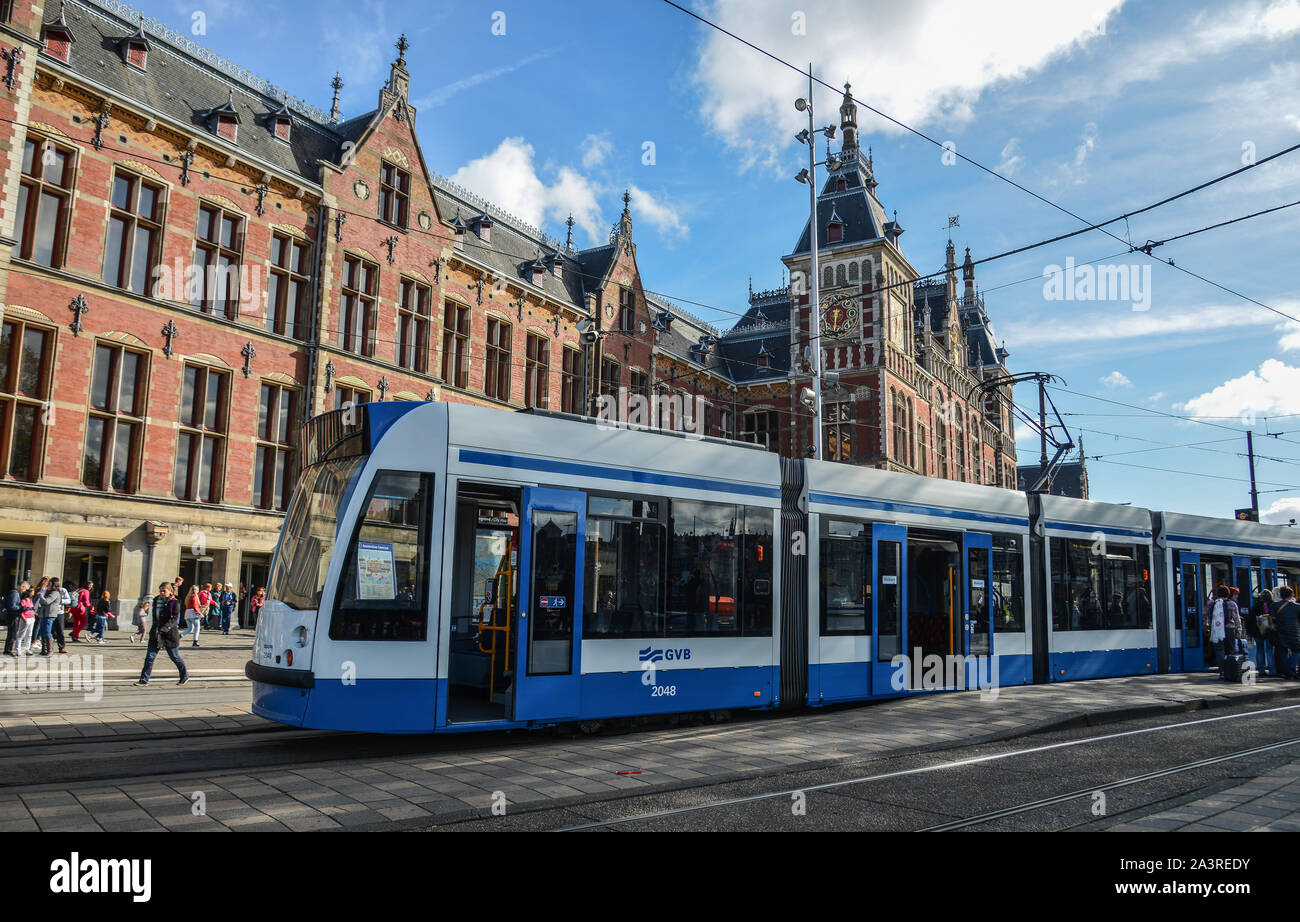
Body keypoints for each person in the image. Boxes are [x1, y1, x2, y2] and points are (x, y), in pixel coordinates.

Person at [134, 582, 188, 686]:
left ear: (170, 591)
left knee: (175, 657)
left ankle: (184, 675)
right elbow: (155, 617)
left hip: (169, 635)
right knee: (150, 657)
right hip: (156, 634)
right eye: (160, 590)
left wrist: (165, 628)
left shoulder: (174, 602)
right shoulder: (156, 600)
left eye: (164, 591)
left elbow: (174, 619)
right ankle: (144, 680)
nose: (162, 593)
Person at [1247, 589, 1277, 676]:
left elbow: (1250, 620)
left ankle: (1261, 670)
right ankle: (1272, 671)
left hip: (1257, 631)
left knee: (1259, 650)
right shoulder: (1273, 605)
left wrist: (1250, 632)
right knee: (1269, 650)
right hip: (1269, 631)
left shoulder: (1256, 605)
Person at [1274, 586, 1300, 679]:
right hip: (1294, 631)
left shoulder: (1274, 606)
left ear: (1280, 595)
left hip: (1281, 631)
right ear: (1291, 594)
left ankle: (1286, 671)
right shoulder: (1297, 607)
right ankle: (1292, 669)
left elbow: (1272, 619)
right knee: (1296, 650)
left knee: (1283, 651)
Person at [2, 580, 24, 656]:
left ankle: (8, 649)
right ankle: (8, 650)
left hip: (13, 615)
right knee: (12, 633)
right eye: (25, 589)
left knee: (12, 633)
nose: (25, 591)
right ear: (22, 587)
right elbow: (12, 606)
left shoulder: (16, 593)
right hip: (13, 616)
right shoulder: (15, 594)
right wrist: (21, 608)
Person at [12, 587, 35, 657]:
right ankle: (17, 649)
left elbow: (32, 609)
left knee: (29, 634)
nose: (34, 593)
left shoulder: (31, 600)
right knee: (21, 634)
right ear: (30, 593)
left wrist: (33, 616)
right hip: (26, 618)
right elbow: (21, 610)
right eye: (33, 592)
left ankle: (27, 649)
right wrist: (24, 618)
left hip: (31, 618)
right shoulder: (23, 601)